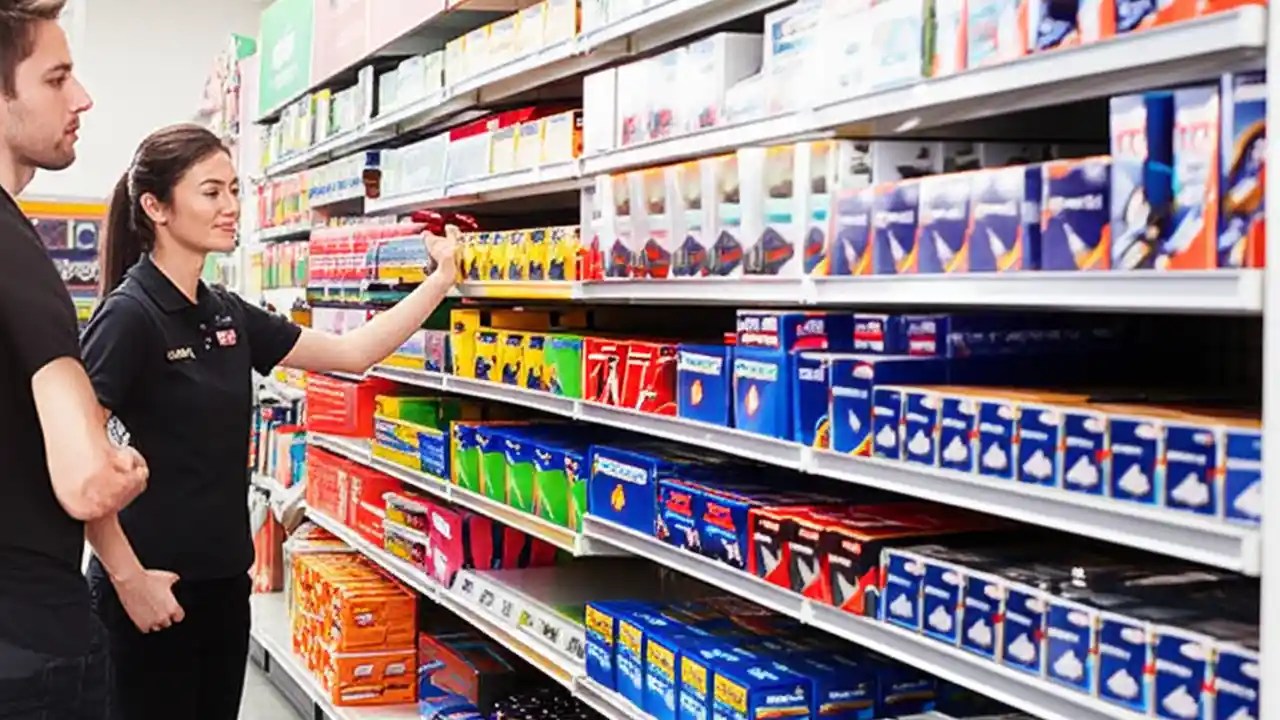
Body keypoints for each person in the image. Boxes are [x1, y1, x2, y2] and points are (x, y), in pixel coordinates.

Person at [80, 123, 459, 719]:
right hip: (148, 593)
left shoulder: (223, 312)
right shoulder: (129, 317)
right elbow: (74, 460)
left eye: (234, 189)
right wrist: (129, 580)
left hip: (225, 588)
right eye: (211, 192)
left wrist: (440, 279)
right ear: (156, 206)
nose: (231, 207)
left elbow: (353, 353)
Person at [0, 1, 151, 717]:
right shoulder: (16, 255)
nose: (82, 98)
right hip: (29, 641)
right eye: (57, 78)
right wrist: (122, 466)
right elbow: (86, 485)